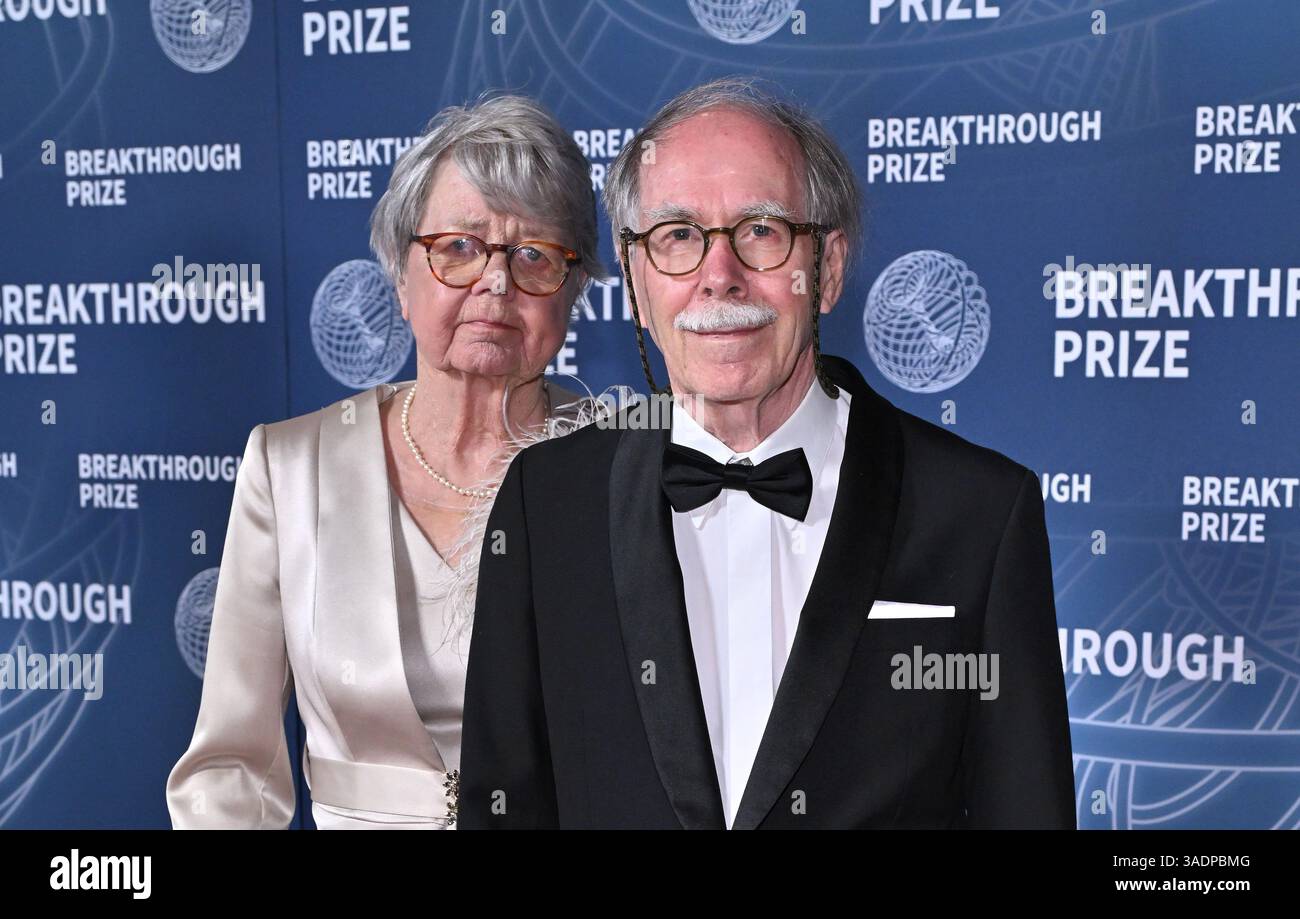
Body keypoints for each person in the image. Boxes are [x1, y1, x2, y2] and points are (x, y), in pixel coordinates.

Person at [458, 78, 1075, 829]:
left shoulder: (978, 513)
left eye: (761, 230)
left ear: (829, 268)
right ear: (637, 285)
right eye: (678, 235)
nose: (720, 276)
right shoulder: (544, 502)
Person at [167, 94, 604, 829]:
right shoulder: (289, 470)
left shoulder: (620, 466)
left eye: (534, 255)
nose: (495, 284)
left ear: (573, 294)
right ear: (401, 279)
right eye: (459, 248)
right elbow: (229, 769)